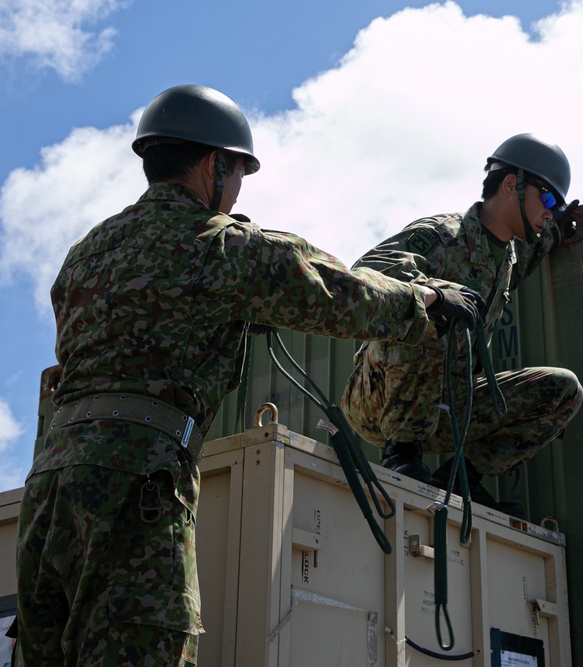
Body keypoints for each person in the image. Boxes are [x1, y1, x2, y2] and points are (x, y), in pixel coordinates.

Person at [11, 84, 483, 666]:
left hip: (49, 489)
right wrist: (428, 301)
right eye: (238, 175)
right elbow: (340, 295)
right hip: (136, 486)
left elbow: (128, 334)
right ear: (214, 165)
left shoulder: (87, 251)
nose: (236, 194)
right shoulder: (225, 246)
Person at [340, 133, 583, 517]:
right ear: (510, 185)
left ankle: (462, 476)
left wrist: (565, 225)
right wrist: (435, 293)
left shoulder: (507, 258)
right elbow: (365, 273)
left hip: (446, 406)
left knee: (562, 389)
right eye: (548, 198)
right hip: (379, 401)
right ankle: (401, 454)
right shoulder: (442, 235)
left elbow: (538, 243)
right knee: (440, 317)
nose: (551, 210)